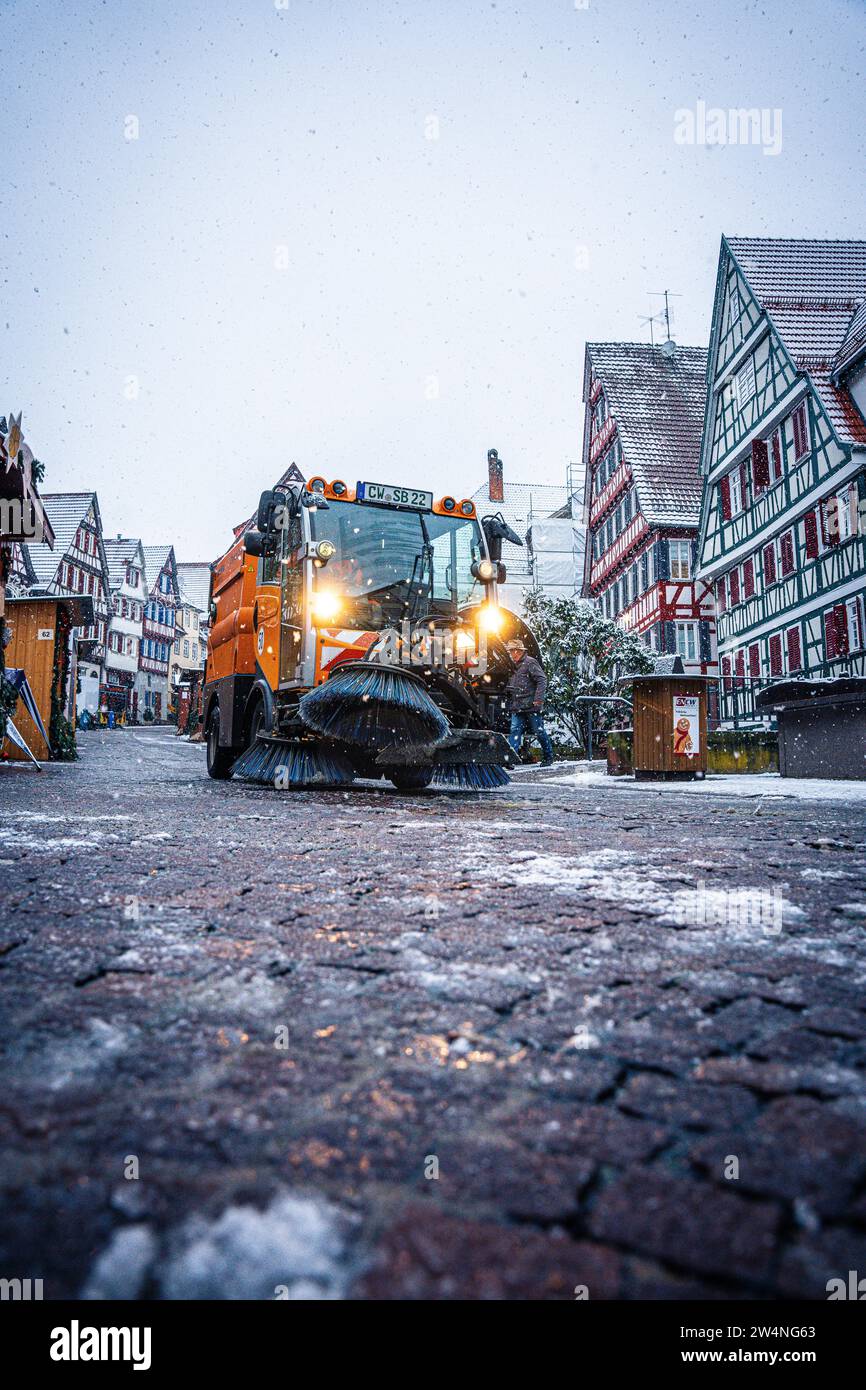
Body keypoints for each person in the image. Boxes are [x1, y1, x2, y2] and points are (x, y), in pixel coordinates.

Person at [504, 637, 554, 766]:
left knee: (538, 731)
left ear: (518, 651)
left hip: (531, 705)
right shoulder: (514, 666)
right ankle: (510, 760)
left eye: (511, 652)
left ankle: (548, 757)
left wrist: (538, 699)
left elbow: (542, 679)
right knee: (515, 731)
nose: (510, 654)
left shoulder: (530, 662)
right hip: (517, 705)